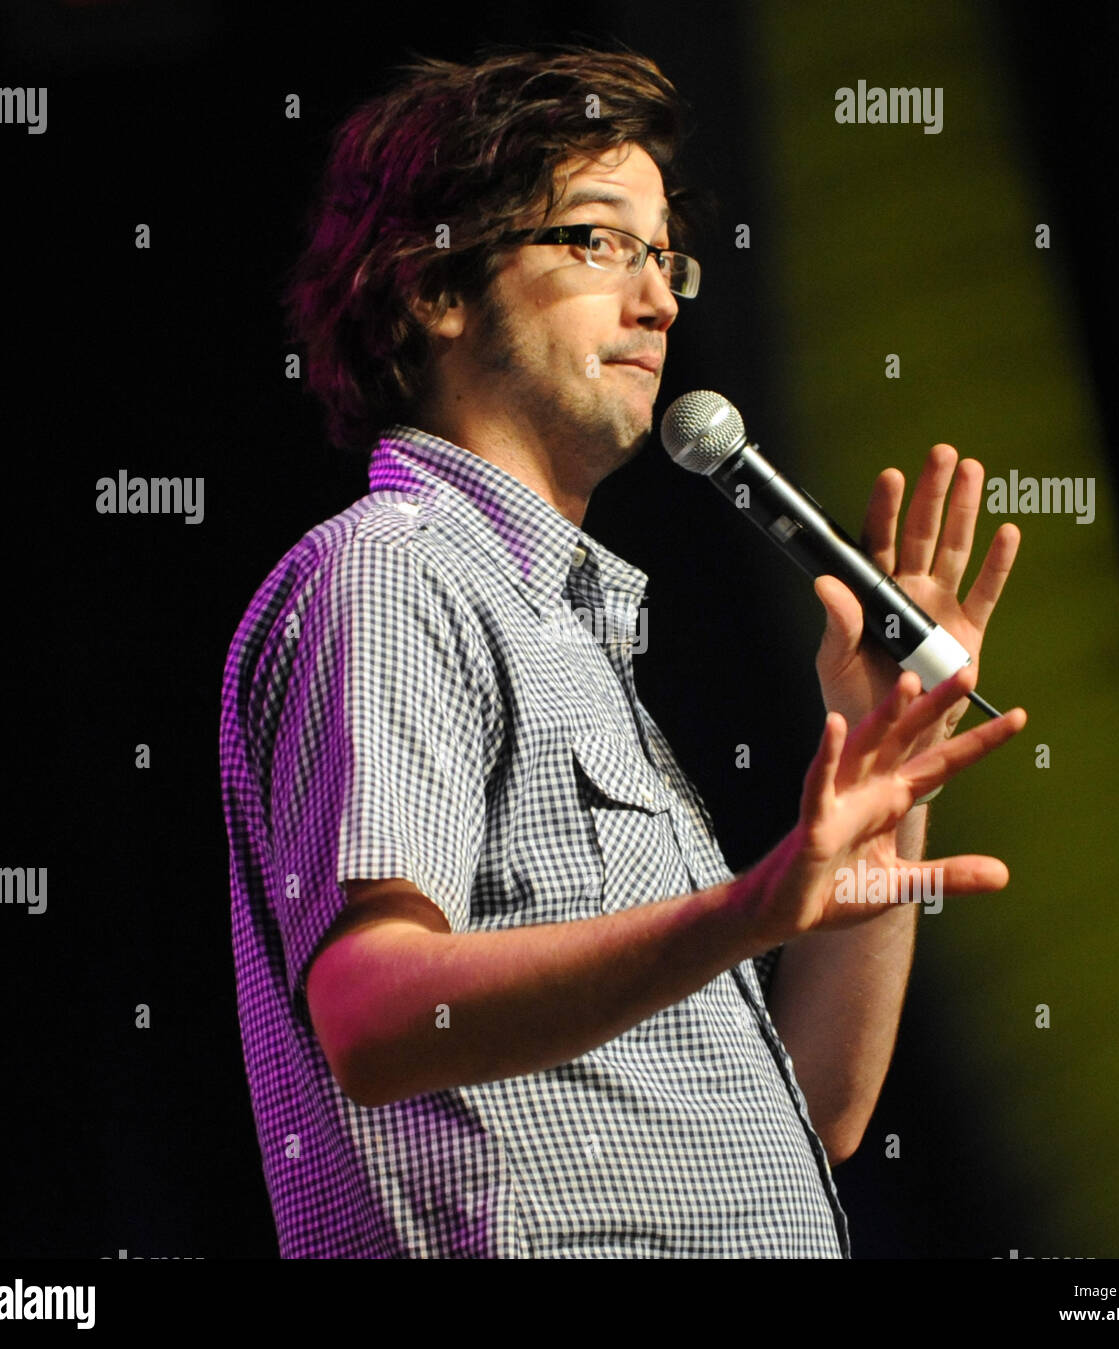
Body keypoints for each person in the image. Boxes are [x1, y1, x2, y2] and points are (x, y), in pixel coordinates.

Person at [219, 42, 1025, 1259]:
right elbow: (371, 1013)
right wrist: (746, 906)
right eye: (598, 243)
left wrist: (878, 747)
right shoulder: (390, 572)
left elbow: (822, 1110)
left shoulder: (567, 640)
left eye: (664, 257)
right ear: (435, 286)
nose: (657, 300)